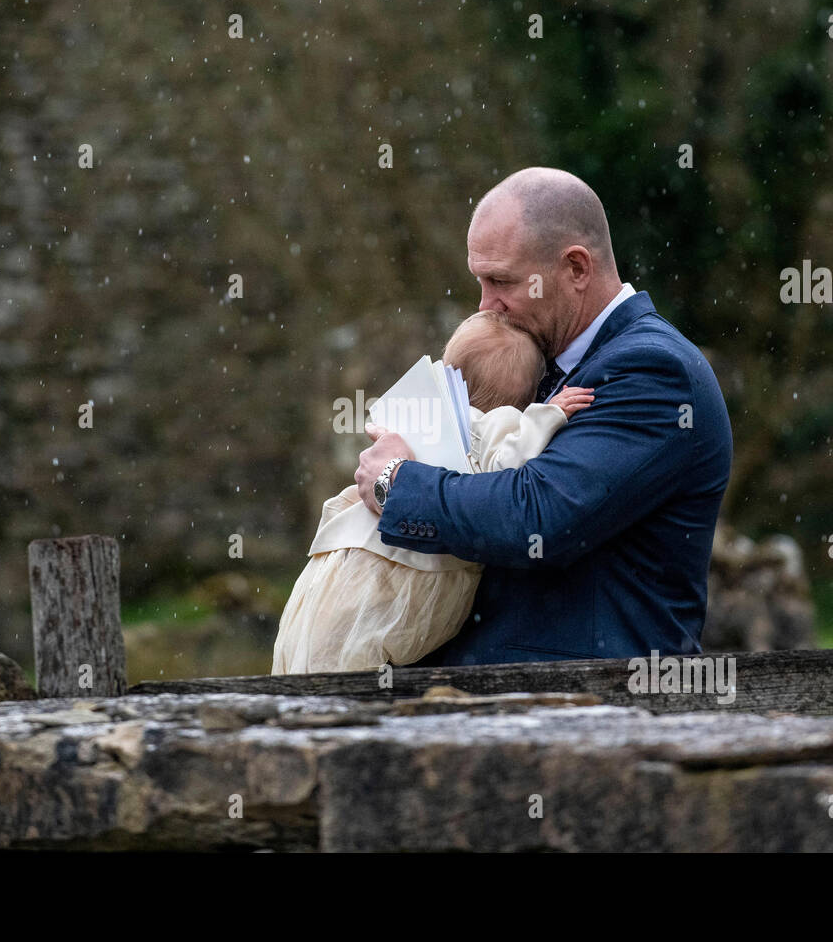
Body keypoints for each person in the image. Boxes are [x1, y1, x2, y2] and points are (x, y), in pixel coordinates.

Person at [354, 167, 733, 665]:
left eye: (501, 282)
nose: (486, 307)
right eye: (480, 281)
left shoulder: (654, 372)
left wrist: (395, 482)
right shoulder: (540, 358)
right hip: (510, 710)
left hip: (597, 715)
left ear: (576, 268)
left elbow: (537, 516)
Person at [272, 310, 595, 674]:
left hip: (348, 561)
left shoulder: (417, 419)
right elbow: (510, 466)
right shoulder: (496, 423)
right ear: (524, 397)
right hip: (409, 573)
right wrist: (547, 415)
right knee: (360, 660)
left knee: (316, 651)